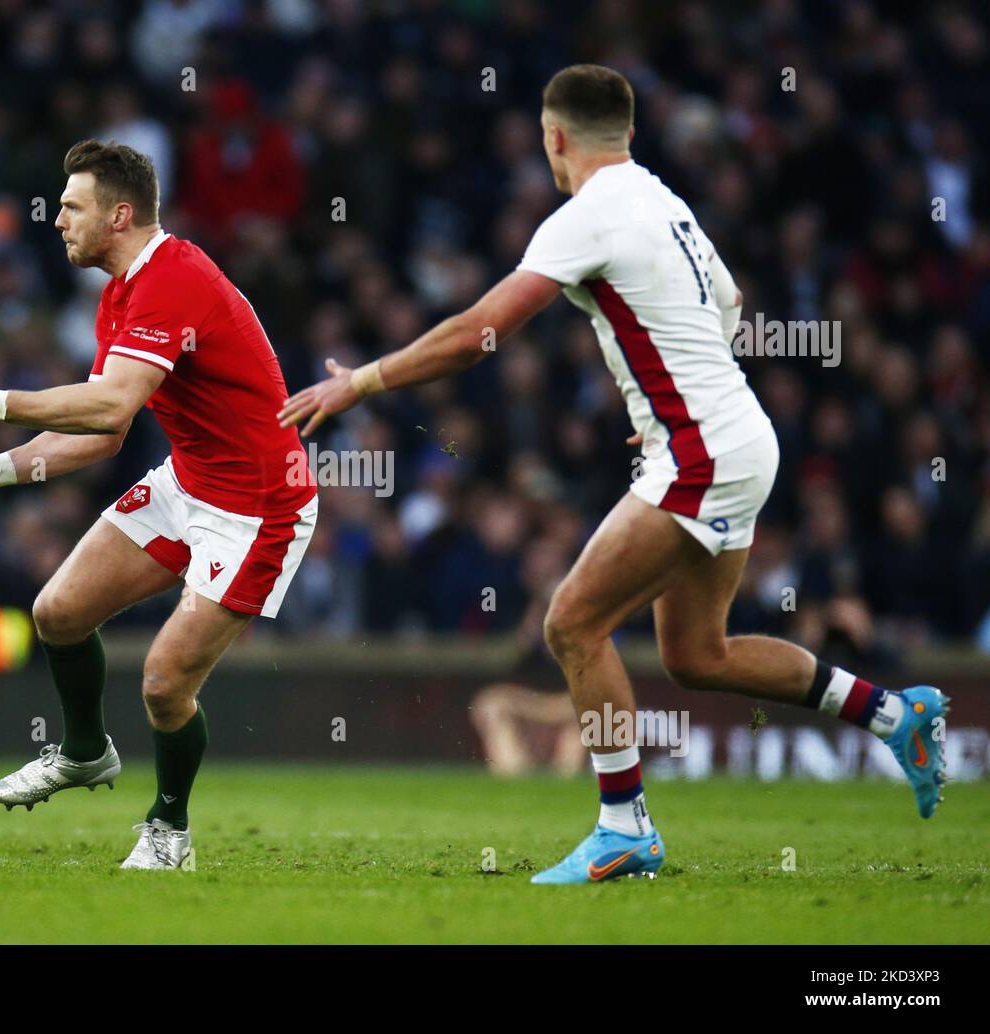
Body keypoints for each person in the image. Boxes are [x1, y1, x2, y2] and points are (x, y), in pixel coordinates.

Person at [278, 64, 948, 885]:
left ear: (553, 139)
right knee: (697, 654)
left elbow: (476, 334)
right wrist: (664, 408)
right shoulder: (665, 202)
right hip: (735, 437)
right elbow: (731, 303)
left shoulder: (583, 216)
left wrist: (362, 382)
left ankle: (625, 827)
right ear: (628, 133)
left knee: (570, 624)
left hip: (703, 450)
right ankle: (894, 712)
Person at [0, 140, 318, 872]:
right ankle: (85, 752)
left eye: (71, 207)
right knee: (57, 613)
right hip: (189, 482)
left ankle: (170, 830)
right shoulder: (122, 291)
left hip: (257, 508)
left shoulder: (175, 279)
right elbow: (105, 434)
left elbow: (111, 401)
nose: (56, 219)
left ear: (118, 215)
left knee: (164, 683)